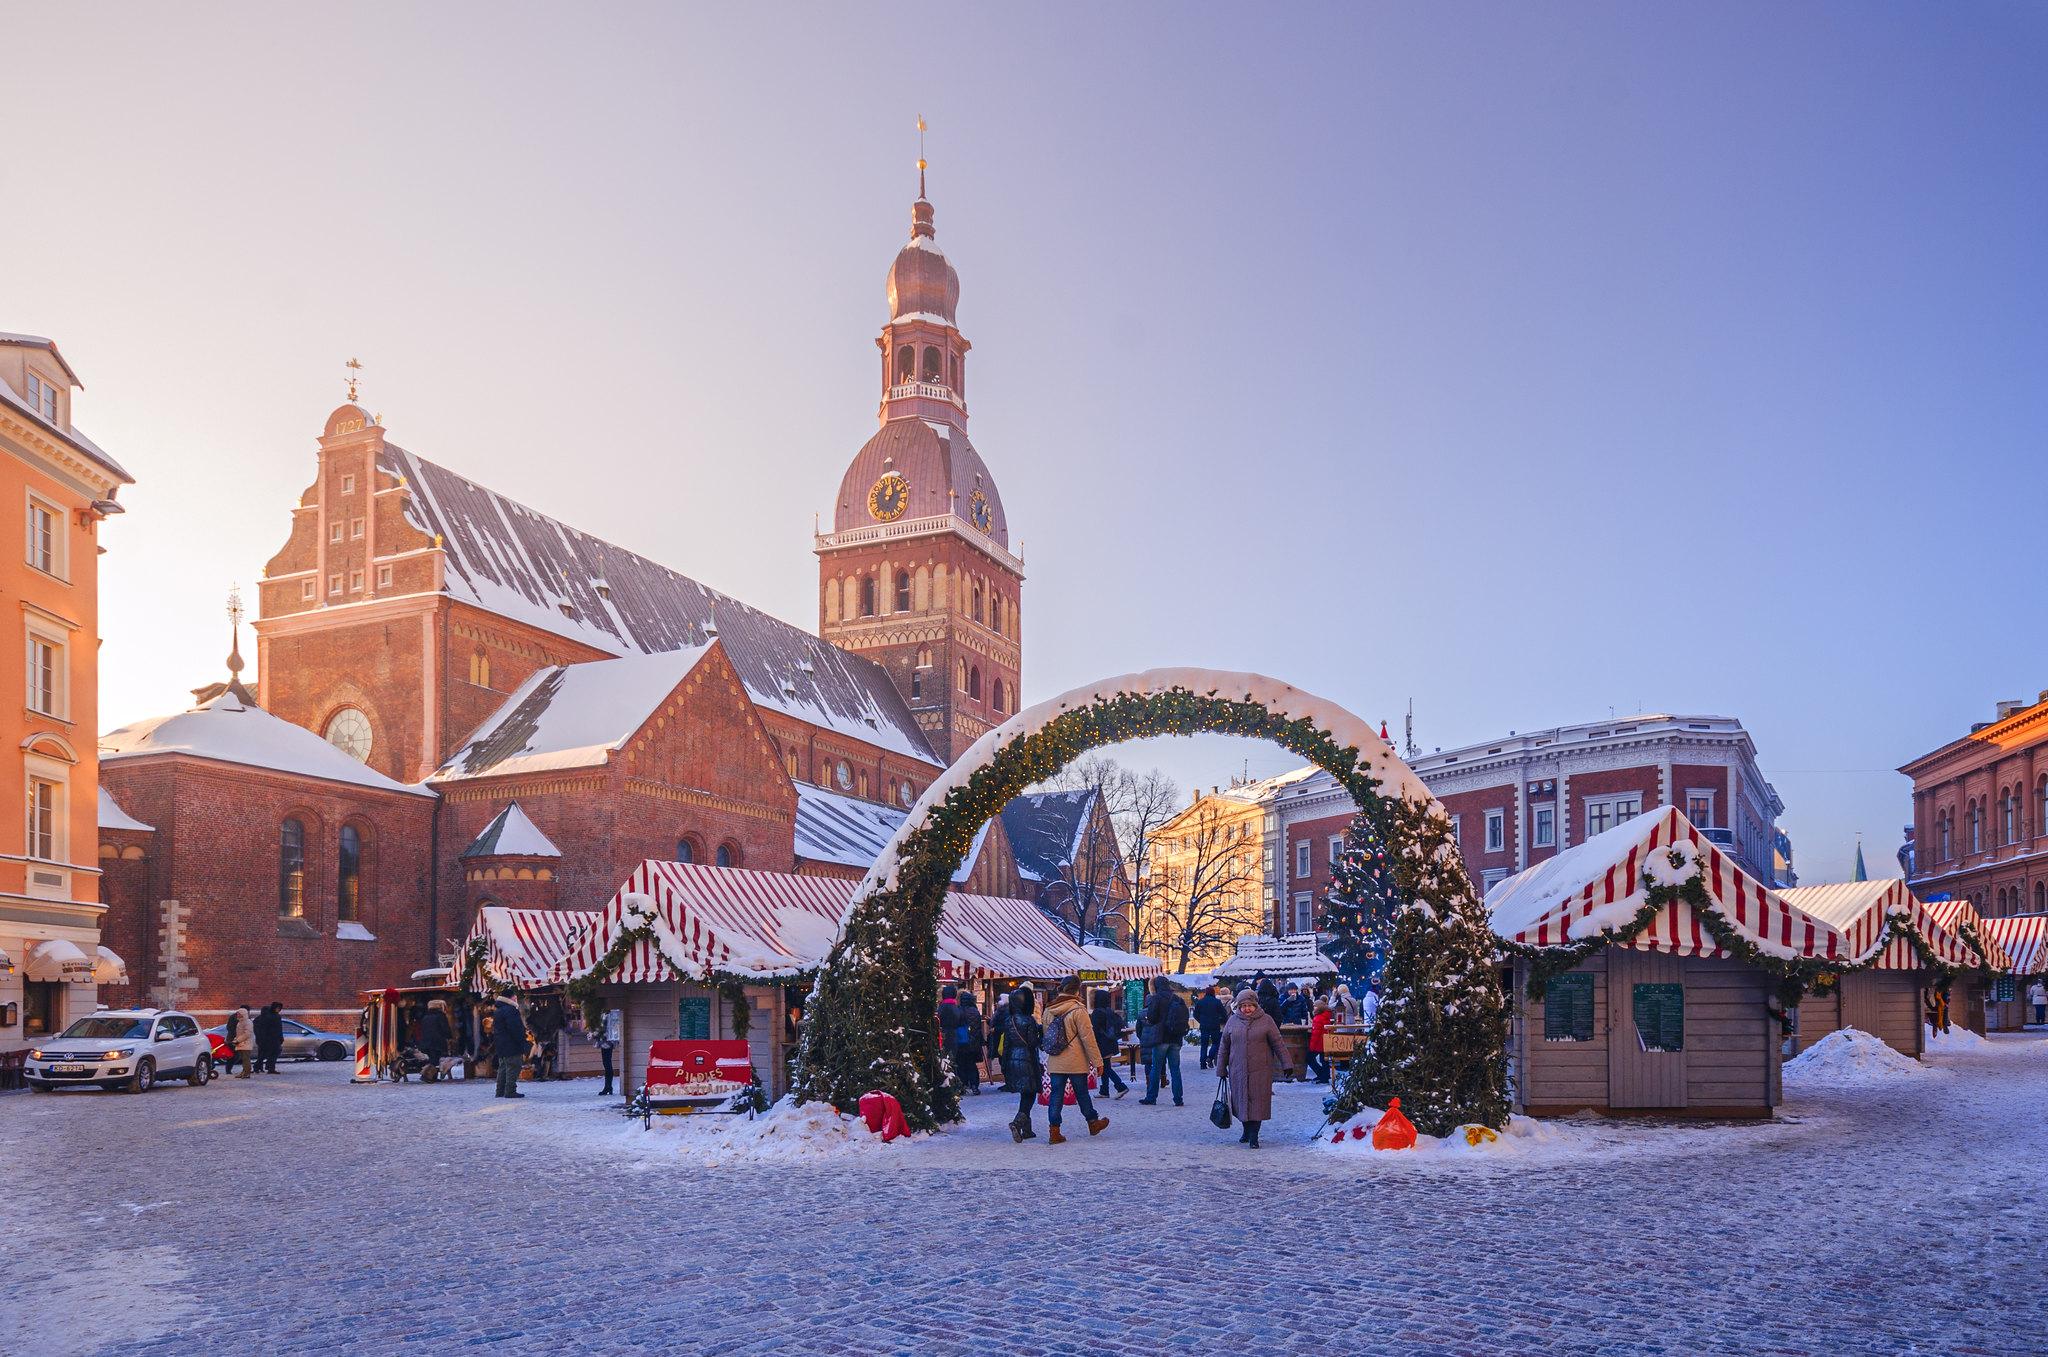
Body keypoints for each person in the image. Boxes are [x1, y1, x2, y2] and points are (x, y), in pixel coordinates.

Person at [1216, 986, 1290, 1149]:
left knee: (1258, 1102)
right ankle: (1246, 1130)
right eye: (1243, 1006)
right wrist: (1221, 1068)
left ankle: (1254, 1136)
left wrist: (1287, 1063)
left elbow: (1278, 1043)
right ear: (1239, 1006)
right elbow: (1224, 1046)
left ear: (1255, 1005)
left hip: (1260, 1069)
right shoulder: (1232, 1021)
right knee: (1241, 1101)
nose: (1246, 1008)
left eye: (1249, 1005)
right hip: (1238, 1069)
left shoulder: (1267, 1020)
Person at [1041, 977, 1109, 1144]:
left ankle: (1054, 1131)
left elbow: (1047, 1035)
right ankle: (1093, 1123)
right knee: (1082, 1093)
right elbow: (1088, 1038)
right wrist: (1098, 1061)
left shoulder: (1049, 1009)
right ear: (1077, 990)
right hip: (1076, 1060)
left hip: (1056, 1059)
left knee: (1056, 1095)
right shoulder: (1078, 1010)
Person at [999, 985, 1043, 1142]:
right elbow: (1032, 1043)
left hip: (1012, 1058)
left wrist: (1004, 1065)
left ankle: (1027, 1130)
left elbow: (1006, 1044)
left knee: (1025, 1092)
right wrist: (1040, 1034)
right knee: (1029, 1094)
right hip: (1027, 1059)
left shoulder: (1008, 1020)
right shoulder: (1028, 1020)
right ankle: (1017, 1123)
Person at [1137, 975, 1189, 1106]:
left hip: (1161, 1038)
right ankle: (1178, 1099)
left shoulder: (1157, 998)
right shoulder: (1177, 998)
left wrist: (1151, 1018)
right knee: (1175, 1069)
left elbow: (1153, 1018)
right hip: (1176, 1038)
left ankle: (1151, 1097)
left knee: (1156, 1068)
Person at [1089, 989, 1130, 1099]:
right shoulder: (1109, 1011)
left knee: (1105, 1068)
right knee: (1105, 1065)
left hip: (1102, 1044)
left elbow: (1095, 1031)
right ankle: (1104, 1090)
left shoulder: (1097, 1012)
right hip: (1111, 1042)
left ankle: (1120, 1086)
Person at [491, 995, 528, 1099]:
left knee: (503, 1067)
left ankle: (500, 1091)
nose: (516, 999)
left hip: (501, 1043)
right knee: (513, 1066)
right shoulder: (511, 1010)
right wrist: (521, 1039)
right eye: (514, 997)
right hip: (511, 1043)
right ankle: (510, 1091)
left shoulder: (498, 1010)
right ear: (510, 998)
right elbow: (515, 1027)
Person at [953, 989, 985, 1094]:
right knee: (971, 1064)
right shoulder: (975, 1011)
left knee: (961, 1064)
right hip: (974, 1042)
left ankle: (963, 1085)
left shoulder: (959, 1010)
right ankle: (974, 1085)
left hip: (962, 1041)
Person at [1193, 985, 1229, 1069]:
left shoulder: (1200, 1002)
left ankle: (1202, 1064)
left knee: (1204, 1045)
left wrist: (1201, 1020)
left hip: (1204, 1026)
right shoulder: (1217, 1002)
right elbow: (1224, 1014)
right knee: (1216, 1043)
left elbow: (1195, 1014)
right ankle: (1210, 1057)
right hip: (1215, 1025)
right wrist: (1220, 1020)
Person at [419, 998, 455, 1082]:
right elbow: (445, 1028)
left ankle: (432, 1076)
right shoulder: (440, 1016)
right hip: (437, 1041)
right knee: (434, 1060)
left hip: (426, 1041)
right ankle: (426, 1075)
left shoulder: (425, 1017)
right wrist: (449, 1037)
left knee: (432, 1058)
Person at [593, 1006, 622, 1095]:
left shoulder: (607, 1016)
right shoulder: (608, 1015)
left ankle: (608, 1086)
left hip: (606, 1042)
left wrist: (595, 1034)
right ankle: (608, 1086)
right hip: (607, 1041)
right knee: (607, 1064)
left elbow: (602, 1029)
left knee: (607, 1064)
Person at [253, 1001, 285, 1075]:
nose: (278, 1010)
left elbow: (279, 1028)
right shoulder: (272, 1017)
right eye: (278, 1008)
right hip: (271, 1039)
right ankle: (267, 1067)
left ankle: (263, 1067)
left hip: (270, 1039)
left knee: (268, 1054)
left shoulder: (271, 1016)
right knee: (270, 1054)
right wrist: (280, 1037)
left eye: (279, 1008)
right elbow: (276, 1028)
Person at [1307, 997, 1334, 1084]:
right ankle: (1325, 1076)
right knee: (1324, 1060)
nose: (1313, 1007)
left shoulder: (1318, 1018)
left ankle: (1322, 1074)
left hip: (1319, 1043)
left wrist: (1311, 1047)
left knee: (1309, 1059)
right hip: (1325, 1042)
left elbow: (1316, 1034)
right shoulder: (1326, 1016)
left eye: (1315, 1006)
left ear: (1319, 1008)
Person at [228, 1002, 257, 1078]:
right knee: (243, 1059)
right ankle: (244, 1071)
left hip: (245, 1043)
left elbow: (247, 1033)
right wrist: (235, 1039)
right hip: (241, 1043)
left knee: (245, 1059)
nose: (237, 1015)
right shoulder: (240, 1022)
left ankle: (247, 1073)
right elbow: (238, 1033)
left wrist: (238, 1040)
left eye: (239, 1014)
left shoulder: (247, 1022)